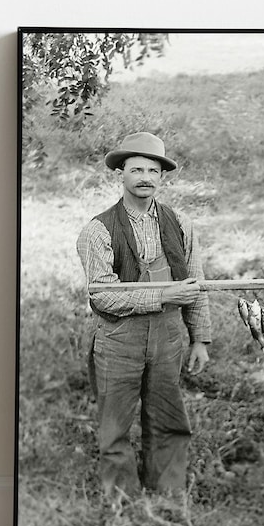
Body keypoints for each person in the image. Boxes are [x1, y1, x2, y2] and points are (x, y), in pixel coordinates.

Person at [76, 132, 211, 498]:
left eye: (153, 170)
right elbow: (104, 296)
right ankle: (120, 498)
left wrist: (199, 338)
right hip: (119, 337)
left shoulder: (180, 223)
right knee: (115, 424)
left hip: (168, 336)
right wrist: (162, 294)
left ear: (162, 176)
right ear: (121, 173)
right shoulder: (98, 230)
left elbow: (194, 284)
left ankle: (168, 493)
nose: (145, 177)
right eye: (136, 169)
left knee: (168, 415)